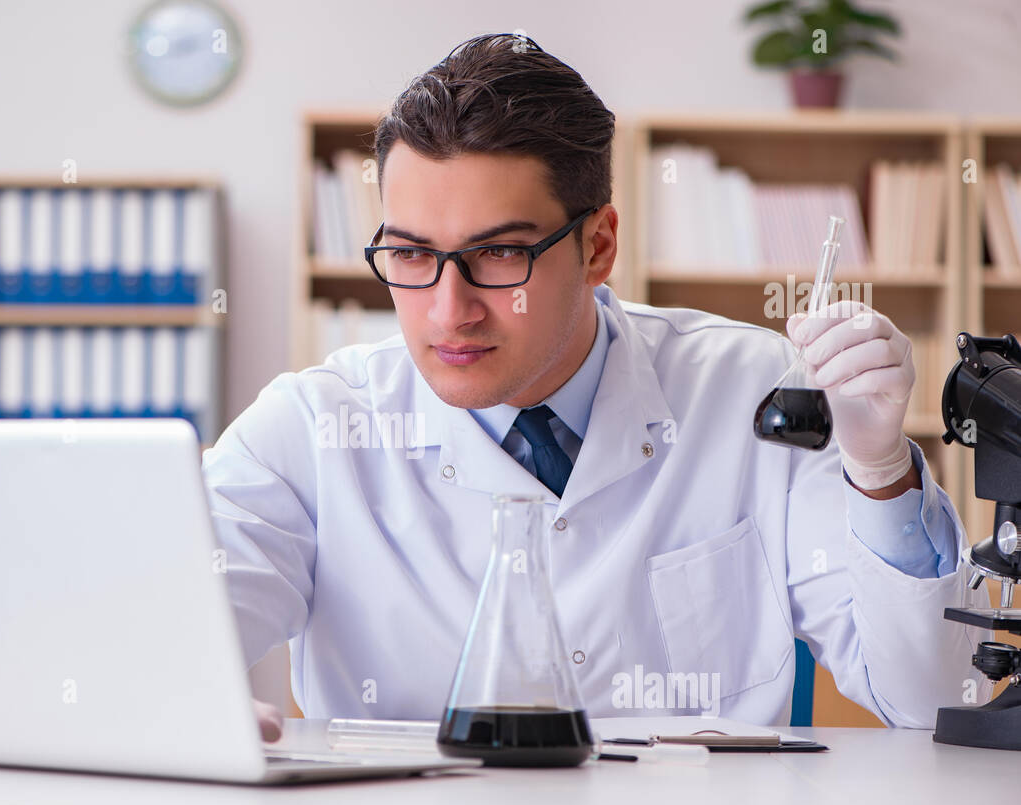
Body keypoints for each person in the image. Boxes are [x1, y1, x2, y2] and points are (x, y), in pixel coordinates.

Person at [220, 34, 986, 742]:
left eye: (498, 255)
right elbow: (164, 619)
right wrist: (187, 695)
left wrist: (880, 471)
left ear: (599, 245)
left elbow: (932, 698)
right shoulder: (314, 425)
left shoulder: (757, 394)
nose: (447, 309)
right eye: (412, 255)